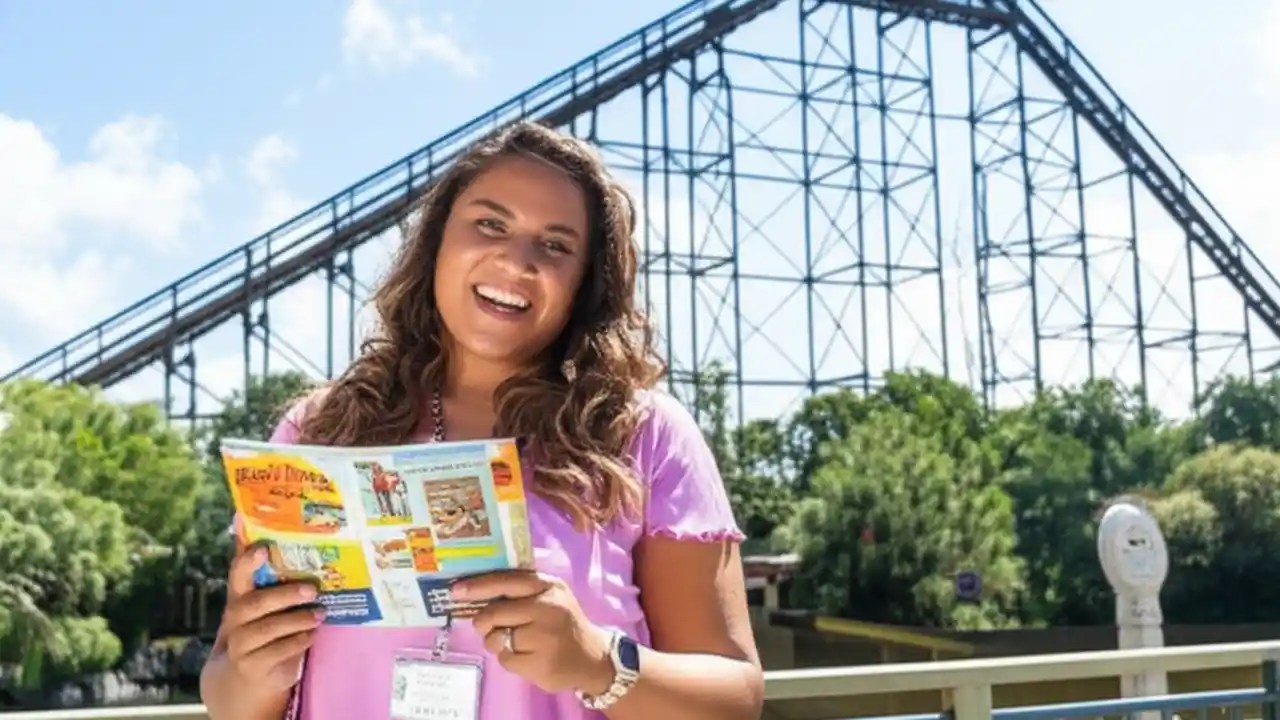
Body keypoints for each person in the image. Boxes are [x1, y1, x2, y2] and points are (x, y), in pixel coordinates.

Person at [199, 120, 764, 719]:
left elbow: (736, 702)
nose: (515, 261)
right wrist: (253, 668)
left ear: (584, 283)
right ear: (437, 242)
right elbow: (228, 694)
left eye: (555, 245)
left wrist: (597, 662)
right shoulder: (319, 430)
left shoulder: (645, 436)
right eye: (490, 224)